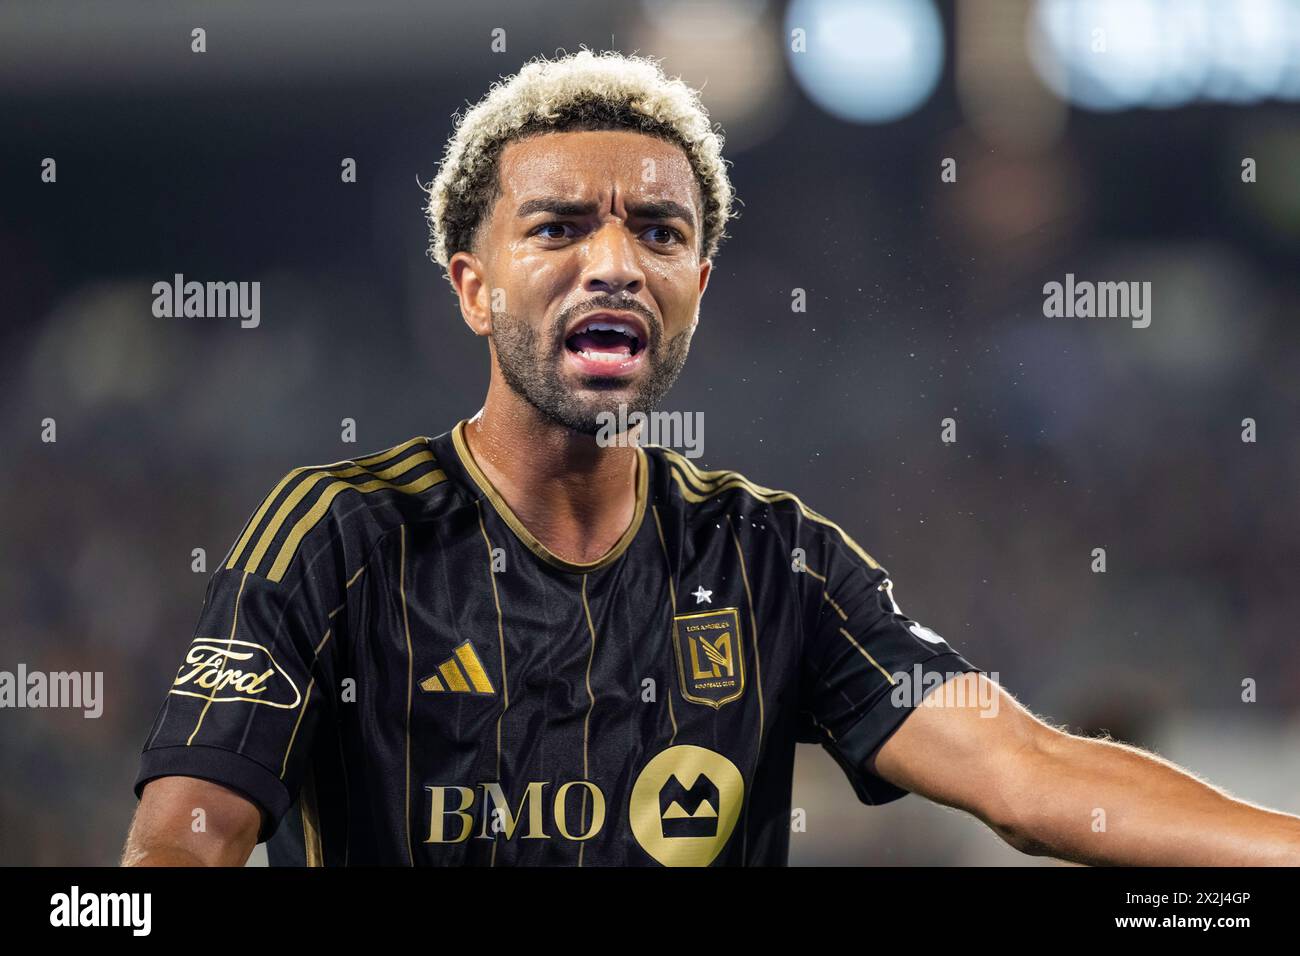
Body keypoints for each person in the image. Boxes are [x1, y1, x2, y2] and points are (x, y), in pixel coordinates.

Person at [123, 49, 1300, 866]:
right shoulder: (337, 533)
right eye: (558, 225)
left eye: (659, 230)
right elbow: (186, 835)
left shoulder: (770, 561)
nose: (616, 261)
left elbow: (1033, 776)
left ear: (696, 285)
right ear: (470, 288)